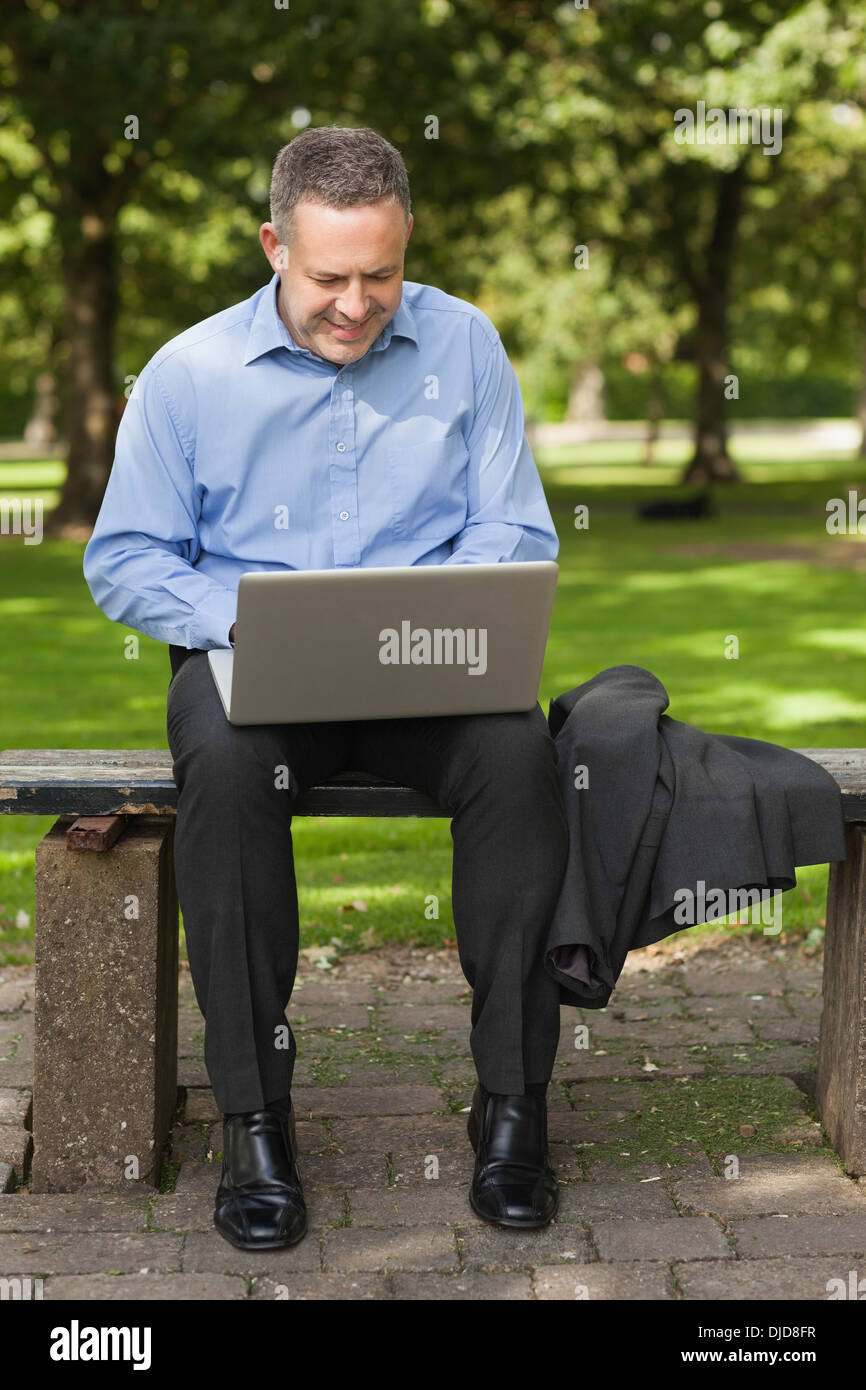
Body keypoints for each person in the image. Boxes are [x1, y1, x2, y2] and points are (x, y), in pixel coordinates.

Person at [83, 125, 569, 1251]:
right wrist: (245, 620)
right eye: (327, 277)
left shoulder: (466, 345)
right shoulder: (188, 373)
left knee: (518, 758)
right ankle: (253, 1118)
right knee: (227, 768)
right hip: (253, 666)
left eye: (381, 275)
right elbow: (127, 557)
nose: (356, 304)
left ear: (407, 249)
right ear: (271, 246)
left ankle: (513, 1106)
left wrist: (440, 610)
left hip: (431, 666)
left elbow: (511, 525)